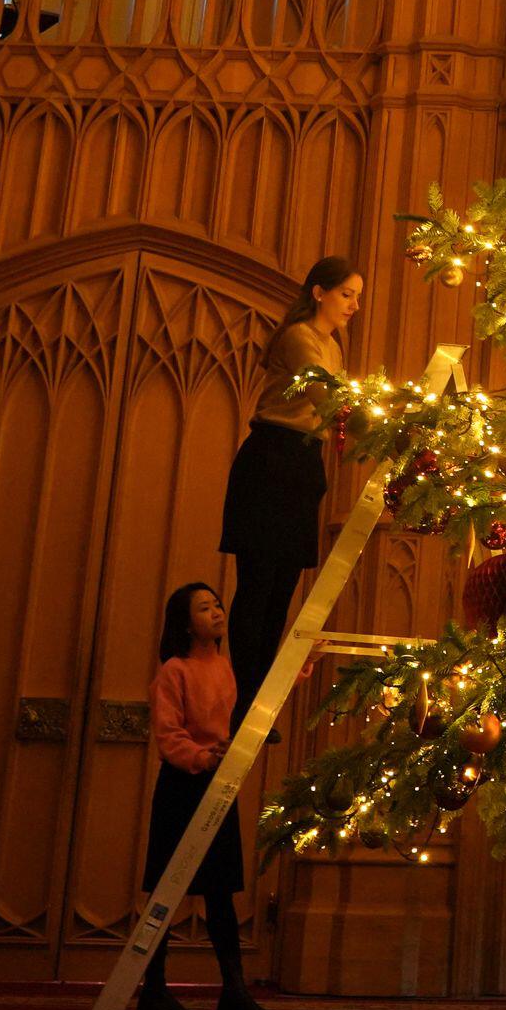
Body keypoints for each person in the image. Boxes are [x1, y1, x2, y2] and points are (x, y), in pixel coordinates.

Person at [221, 256, 362, 707]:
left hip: (303, 461)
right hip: (272, 459)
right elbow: (327, 395)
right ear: (318, 292)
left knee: (282, 586)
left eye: (358, 296)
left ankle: (262, 687)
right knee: (259, 581)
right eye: (347, 293)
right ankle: (245, 691)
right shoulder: (300, 338)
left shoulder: (334, 344)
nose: (354, 305)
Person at [139, 581, 268, 1010]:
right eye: (203, 608)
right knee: (167, 890)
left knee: (220, 892)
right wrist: (201, 757)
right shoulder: (174, 670)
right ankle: (152, 989)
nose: (215, 612)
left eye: (217, 605)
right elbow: (169, 734)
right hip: (183, 785)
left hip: (219, 784)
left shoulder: (229, 668)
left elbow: (253, 701)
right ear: (185, 623)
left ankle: (233, 990)